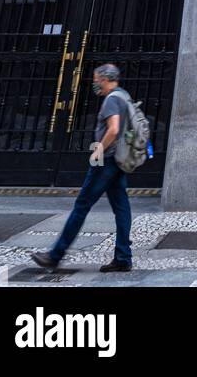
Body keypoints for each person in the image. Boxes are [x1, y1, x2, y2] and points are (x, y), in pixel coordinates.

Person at [30, 63, 133, 273]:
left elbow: (113, 129)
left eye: (96, 80)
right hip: (119, 159)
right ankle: (123, 257)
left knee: (82, 205)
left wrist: (98, 152)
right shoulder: (124, 96)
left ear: (105, 79)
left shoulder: (112, 99)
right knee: (122, 208)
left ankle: (55, 255)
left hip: (105, 159)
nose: (95, 84)